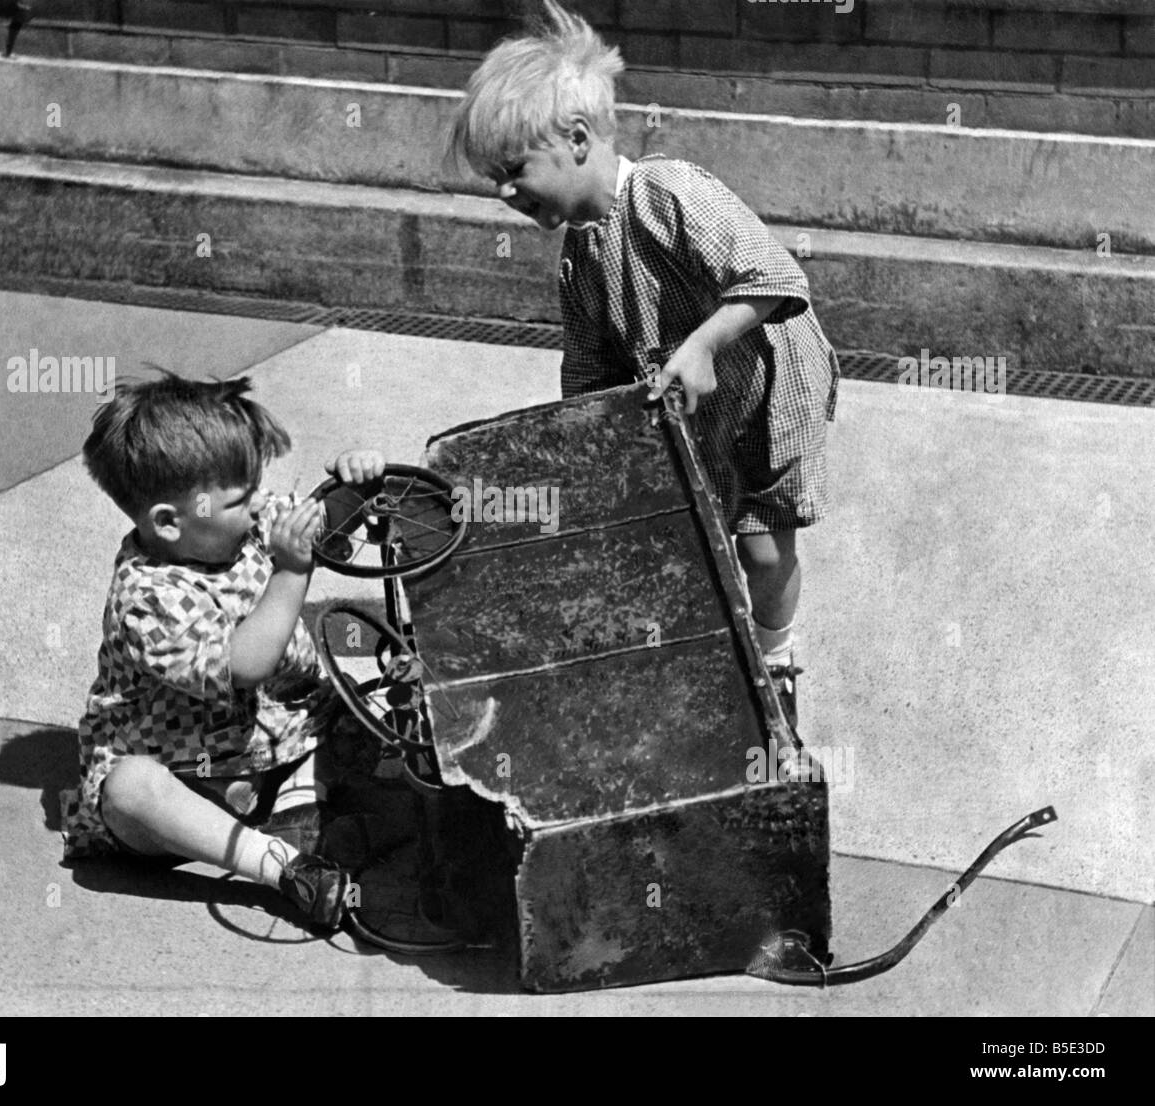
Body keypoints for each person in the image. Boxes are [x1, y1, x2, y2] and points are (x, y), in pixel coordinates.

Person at [447, 1, 839, 724]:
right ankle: (717, 654)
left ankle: (778, 656)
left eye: (512, 170)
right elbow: (589, 371)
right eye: (492, 180)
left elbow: (779, 279)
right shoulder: (580, 255)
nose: (503, 192)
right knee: (692, 532)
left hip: (769, 390)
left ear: (576, 137)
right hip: (700, 406)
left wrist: (699, 345)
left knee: (759, 545)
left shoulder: (669, 192)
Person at [59, 370, 387, 931]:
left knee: (367, 704)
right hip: (187, 781)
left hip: (275, 736)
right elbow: (247, 664)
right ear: (168, 522)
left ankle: (295, 806)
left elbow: (321, 522)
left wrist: (353, 485)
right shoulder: (148, 596)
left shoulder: (236, 522)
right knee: (129, 791)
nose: (261, 505)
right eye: (242, 498)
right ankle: (279, 864)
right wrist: (291, 572)